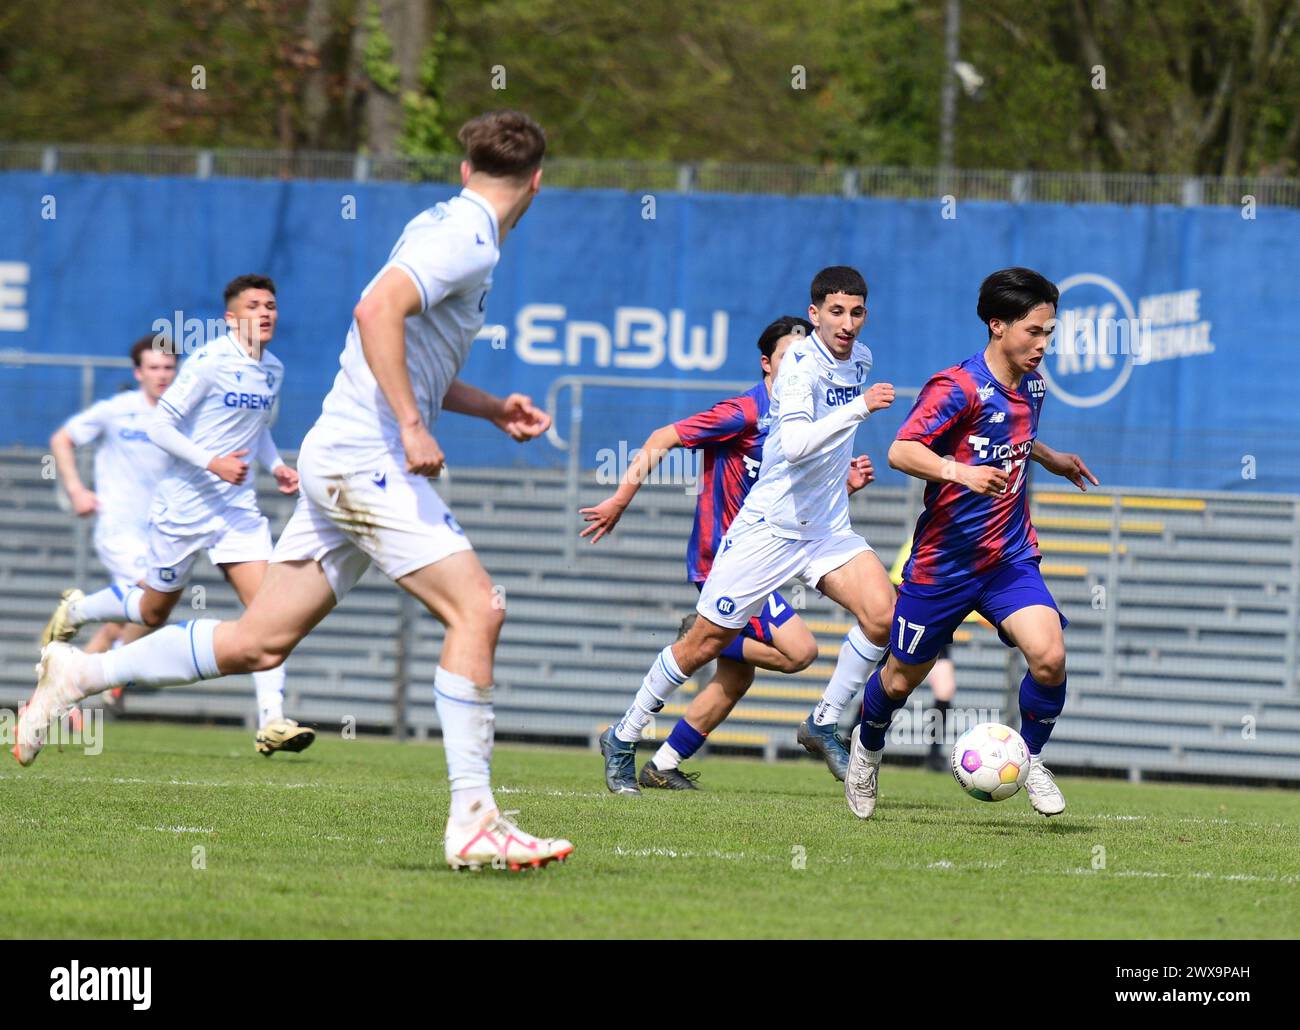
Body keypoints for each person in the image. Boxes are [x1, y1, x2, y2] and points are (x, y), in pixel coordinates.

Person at [17, 110, 573, 872]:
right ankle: (474, 818)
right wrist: (411, 426)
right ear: (538, 183)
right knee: (478, 608)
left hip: (339, 452)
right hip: (363, 455)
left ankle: (79, 672)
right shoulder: (467, 237)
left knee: (257, 641)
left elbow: (401, 346)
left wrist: (486, 406)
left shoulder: (446, 221)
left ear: (466, 169)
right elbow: (374, 312)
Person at [599, 266, 898, 796]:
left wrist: (844, 481)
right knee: (704, 645)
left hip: (826, 529)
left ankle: (824, 721)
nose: (847, 323)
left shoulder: (863, 361)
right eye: (835, 312)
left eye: (856, 312)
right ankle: (624, 737)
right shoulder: (799, 368)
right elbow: (796, 446)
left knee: (884, 616)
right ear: (815, 315)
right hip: (768, 530)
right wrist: (860, 407)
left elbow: (823, 453)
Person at [844, 266, 1099, 820]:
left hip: (1007, 556)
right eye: (1034, 331)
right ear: (997, 325)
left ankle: (1028, 761)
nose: (1043, 344)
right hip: (944, 563)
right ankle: (866, 751)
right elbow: (902, 450)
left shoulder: (1033, 384)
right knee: (900, 678)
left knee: (1050, 656)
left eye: (1050, 332)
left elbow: (1012, 436)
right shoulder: (956, 386)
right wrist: (959, 473)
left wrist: (1048, 456)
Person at [38, 276, 312, 755]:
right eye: (253, 306)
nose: (265, 313)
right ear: (231, 318)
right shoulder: (209, 362)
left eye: (271, 305)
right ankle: (77, 609)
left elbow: (258, 430)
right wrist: (213, 462)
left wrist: (278, 467)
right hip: (184, 508)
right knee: (151, 610)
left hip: (236, 513)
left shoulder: (273, 369)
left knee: (270, 614)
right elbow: (159, 426)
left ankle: (272, 720)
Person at [48, 336, 177, 680]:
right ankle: (113, 672)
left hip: (160, 533)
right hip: (119, 530)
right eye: (154, 368)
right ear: (138, 373)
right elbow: (62, 438)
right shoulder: (117, 409)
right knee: (154, 598)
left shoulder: (182, 415)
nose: (162, 375)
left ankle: (63, 688)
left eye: (168, 367)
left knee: (125, 620)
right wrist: (76, 490)